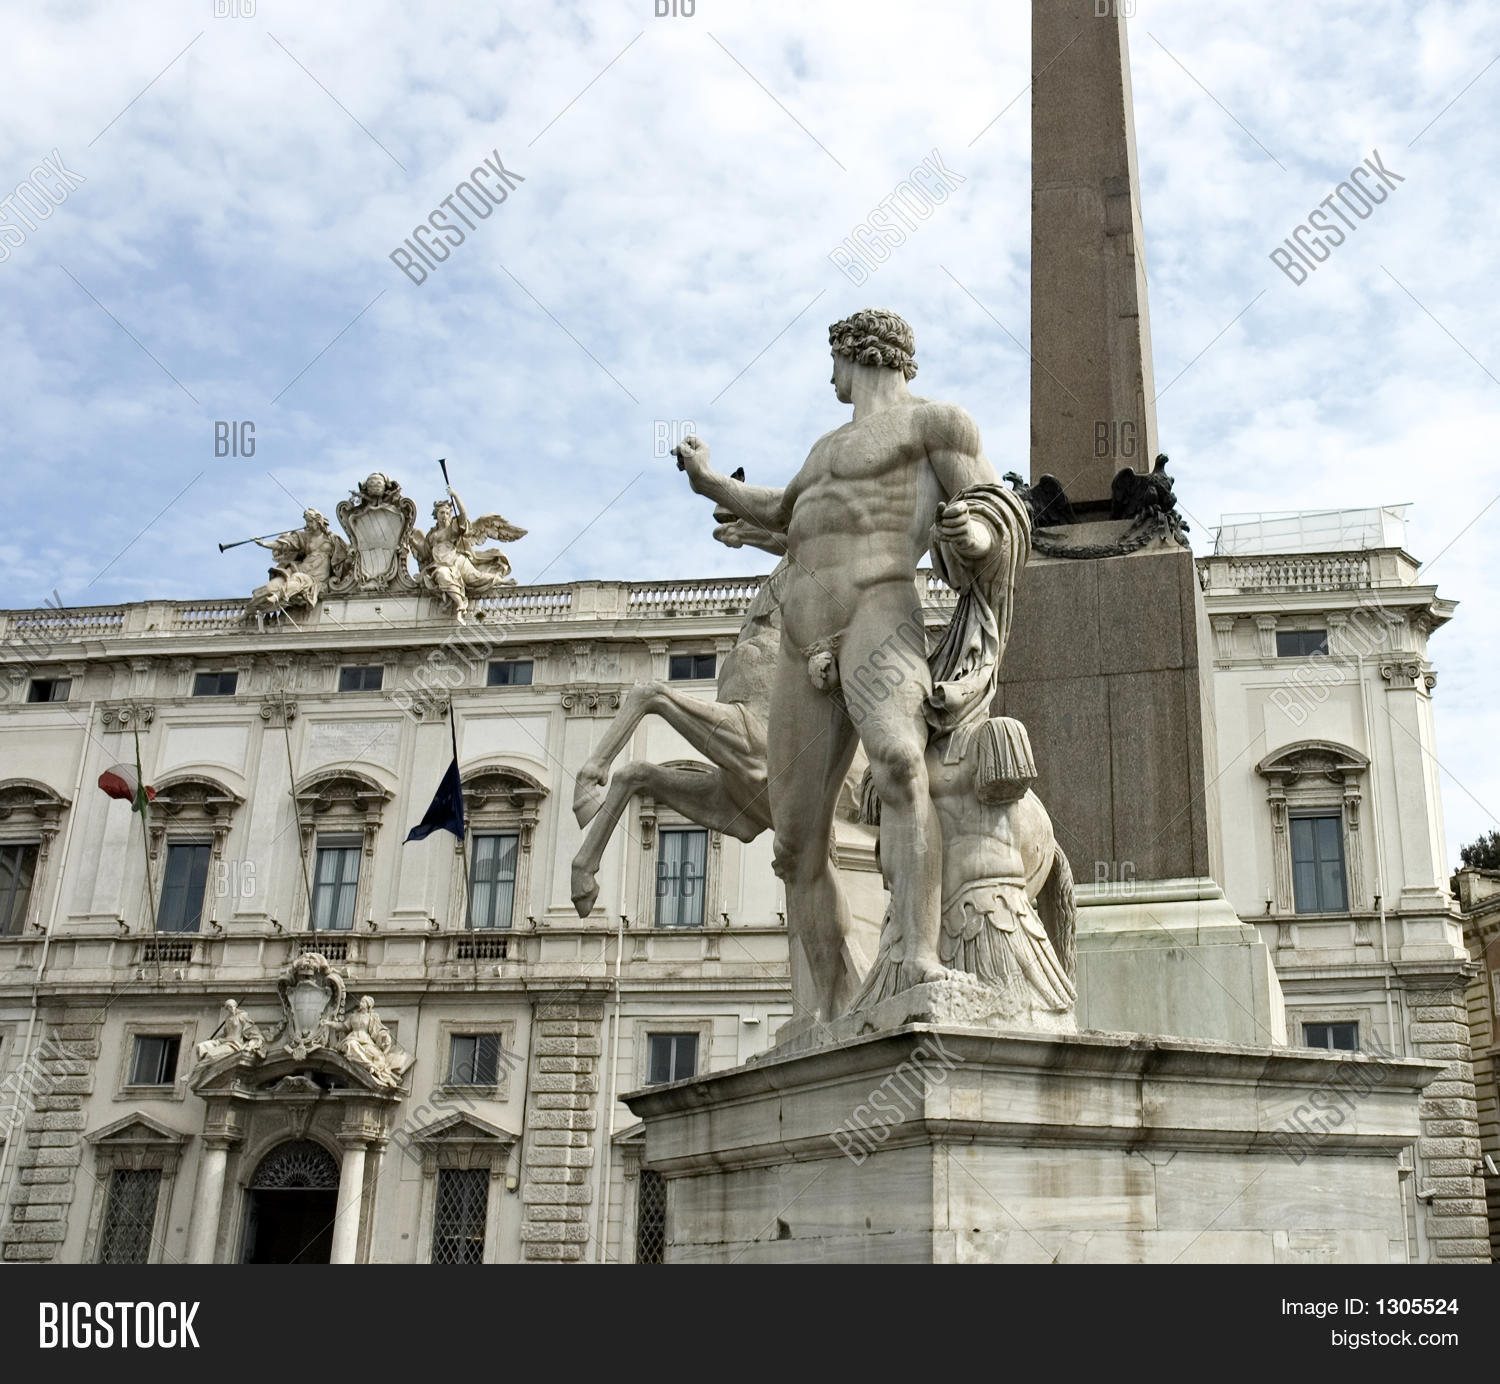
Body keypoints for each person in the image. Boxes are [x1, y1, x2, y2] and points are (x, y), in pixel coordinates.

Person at [672, 309, 1011, 1023]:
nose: (829, 376)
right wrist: (709, 481)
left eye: (833, 361)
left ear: (856, 354)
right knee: (795, 842)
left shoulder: (937, 424)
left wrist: (974, 534)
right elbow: (782, 508)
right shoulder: (824, 449)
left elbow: (990, 504)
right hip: (801, 635)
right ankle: (824, 1007)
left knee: (897, 762)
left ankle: (919, 958)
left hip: (876, 612)